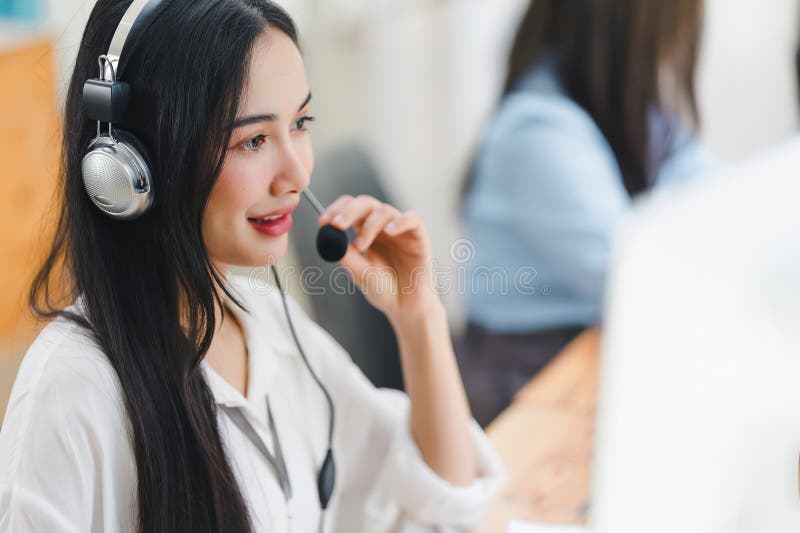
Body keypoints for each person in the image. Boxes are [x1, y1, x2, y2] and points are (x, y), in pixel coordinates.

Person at [0, 1, 503, 532]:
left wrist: (418, 317)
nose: (297, 175)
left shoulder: (268, 325)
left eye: (301, 123)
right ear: (131, 164)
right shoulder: (72, 390)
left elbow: (444, 509)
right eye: (254, 140)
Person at [459, 0, 713, 427]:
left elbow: (719, 202)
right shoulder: (537, 132)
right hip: (522, 381)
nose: (675, 42)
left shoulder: (624, 108)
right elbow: (640, 280)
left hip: (583, 348)